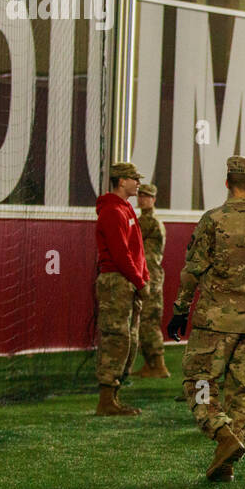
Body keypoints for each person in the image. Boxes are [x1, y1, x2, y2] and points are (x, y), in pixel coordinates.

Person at [167, 156, 245, 481]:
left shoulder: (213, 221)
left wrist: (180, 310)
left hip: (213, 323)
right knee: (241, 392)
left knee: (200, 382)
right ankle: (227, 464)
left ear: (226, 184)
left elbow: (192, 271)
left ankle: (222, 436)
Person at [94, 162, 150, 417]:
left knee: (128, 339)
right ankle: (107, 398)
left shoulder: (125, 210)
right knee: (116, 338)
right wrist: (140, 281)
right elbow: (120, 254)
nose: (137, 183)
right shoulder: (113, 212)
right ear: (120, 180)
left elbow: (136, 252)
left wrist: (142, 278)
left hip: (126, 281)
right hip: (117, 281)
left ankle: (113, 396)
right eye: (133, 178)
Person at [134, 183, 169, 379]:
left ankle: (158, 364)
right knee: (146, 320)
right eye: (140, 196)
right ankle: (150, 363)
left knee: (149, 320)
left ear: (153, 200)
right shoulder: (146, 220)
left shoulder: (149, 222)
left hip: (150, 276)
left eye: (147, 196)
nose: (142, 199)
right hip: (147, 274)